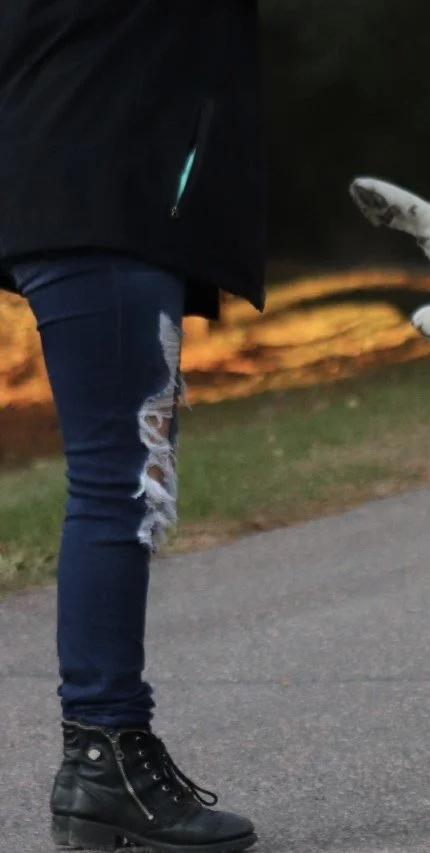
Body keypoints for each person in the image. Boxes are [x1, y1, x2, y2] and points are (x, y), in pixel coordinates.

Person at [0, 3, 266, 851]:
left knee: (120, 476)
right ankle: (104, 754)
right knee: (122, 480)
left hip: (80, 188)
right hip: (99, 194)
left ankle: (105, 755)